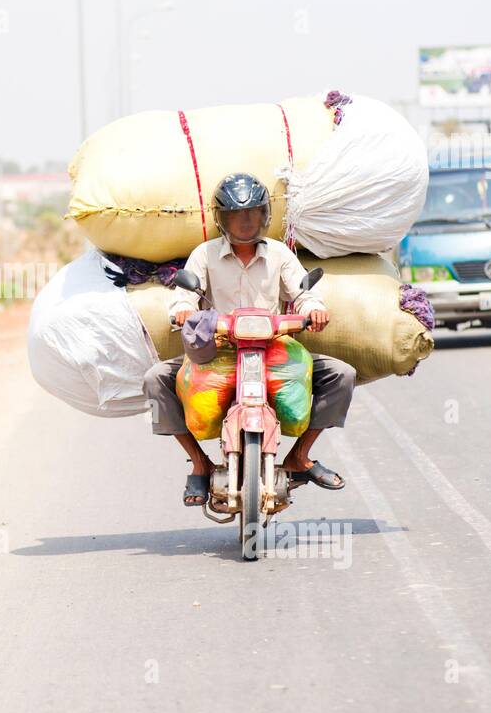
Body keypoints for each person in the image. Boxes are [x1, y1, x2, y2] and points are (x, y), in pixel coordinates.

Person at [142, 172, 357, 506]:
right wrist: (184, 311)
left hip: (273, 347)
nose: (244, 221)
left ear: (264, 215)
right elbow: (185, 296)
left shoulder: (279, 255)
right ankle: (199, 464)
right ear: (221, 218)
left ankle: (300, 456)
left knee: (342, 375)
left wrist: (313, 309)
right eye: (235, 214)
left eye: (252, 213)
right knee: (156, 380)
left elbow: (303, 291)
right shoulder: (205, 254)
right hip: (219, 349)